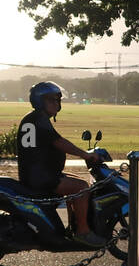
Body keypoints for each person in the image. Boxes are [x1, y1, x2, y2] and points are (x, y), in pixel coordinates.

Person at [18, 82, 104, 247]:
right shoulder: (39, 119)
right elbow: (60, 142)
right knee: (81, 188)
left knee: (80, 184)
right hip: (41, 177)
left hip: (39, 173)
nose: (56, 104)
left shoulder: (34, 118)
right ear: (39, 101)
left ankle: (74, 227)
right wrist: (85, 154)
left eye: (58, 100)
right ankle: (83, 233)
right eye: (51, 100)